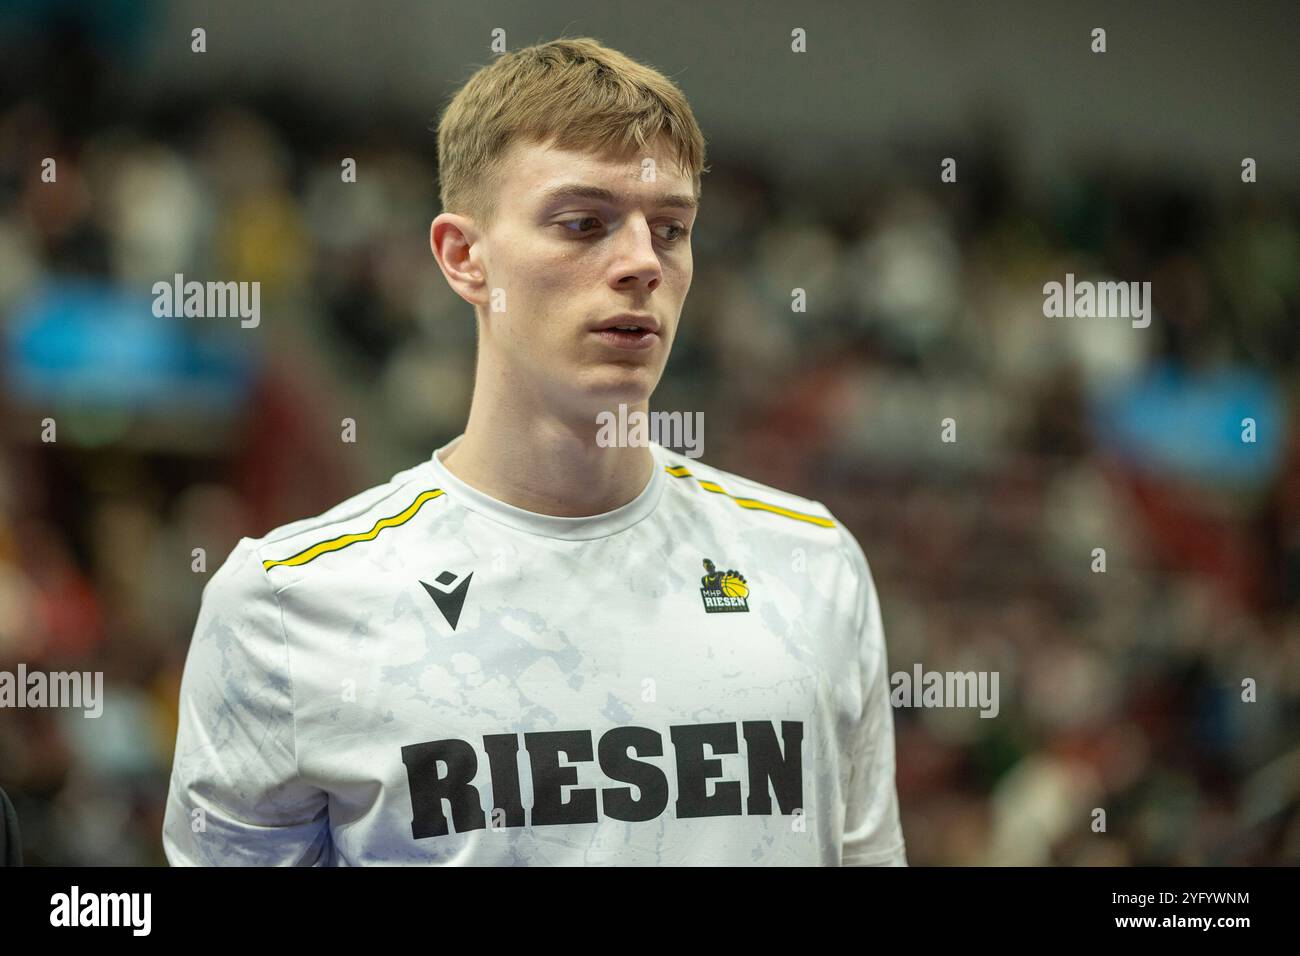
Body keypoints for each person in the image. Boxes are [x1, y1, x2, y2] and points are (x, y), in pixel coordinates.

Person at [163, 37, 905, 866]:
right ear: (463, 257)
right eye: (584, 223)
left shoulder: (811, 565)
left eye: (671, 228)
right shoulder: (285, 608)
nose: (640, 265)